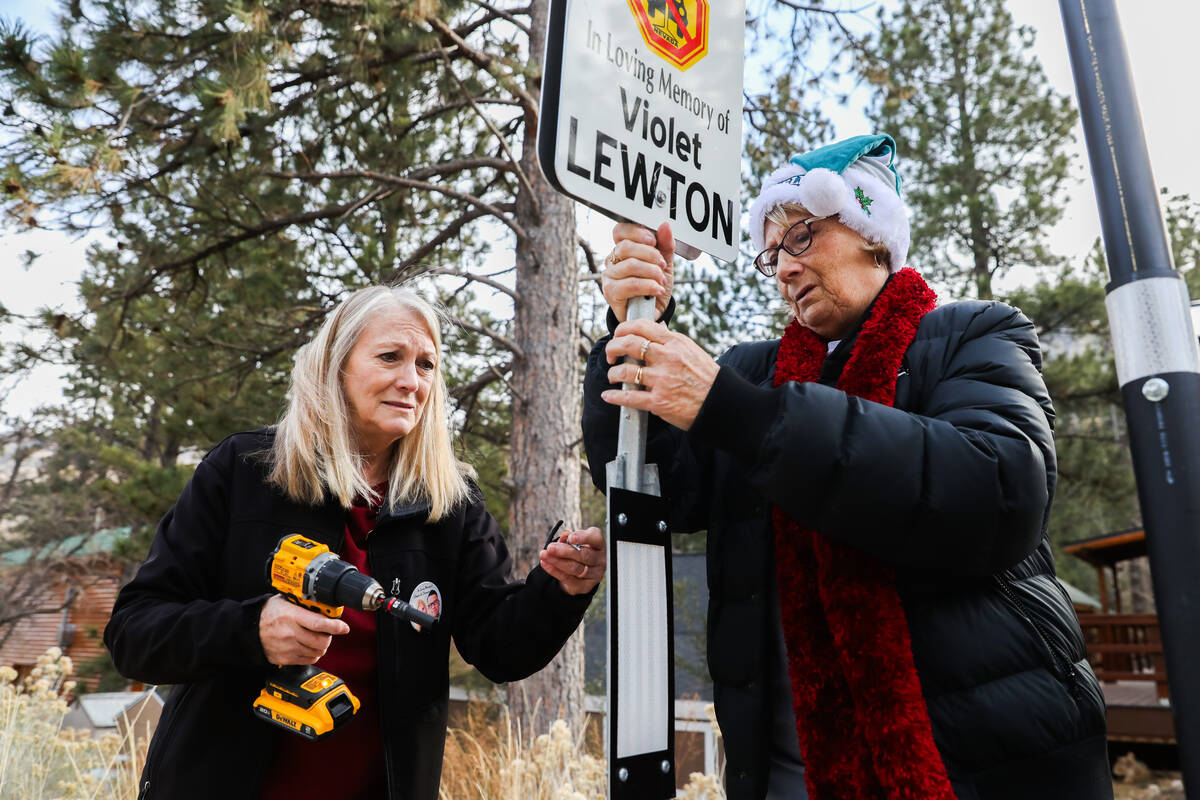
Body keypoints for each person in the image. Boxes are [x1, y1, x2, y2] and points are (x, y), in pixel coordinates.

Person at [582, 134, 1111, 800]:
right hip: (789, 776)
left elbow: (1000, 492)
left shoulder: (973, 335)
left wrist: (742, 413)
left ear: (874, 235)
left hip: (979, 766)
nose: (783, 269)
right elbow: (660, 490)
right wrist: (627, 328)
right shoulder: (752, 371)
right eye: (771, 253)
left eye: (801, 238)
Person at [105, 285, 605, 800]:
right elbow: (134, 633)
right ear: (335, 366)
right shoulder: (245, 471)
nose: (411, 381)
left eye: (426, 365)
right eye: (390, 356)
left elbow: (503, 650)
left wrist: (560, 588)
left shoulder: (450, 501)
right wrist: (250, 630)